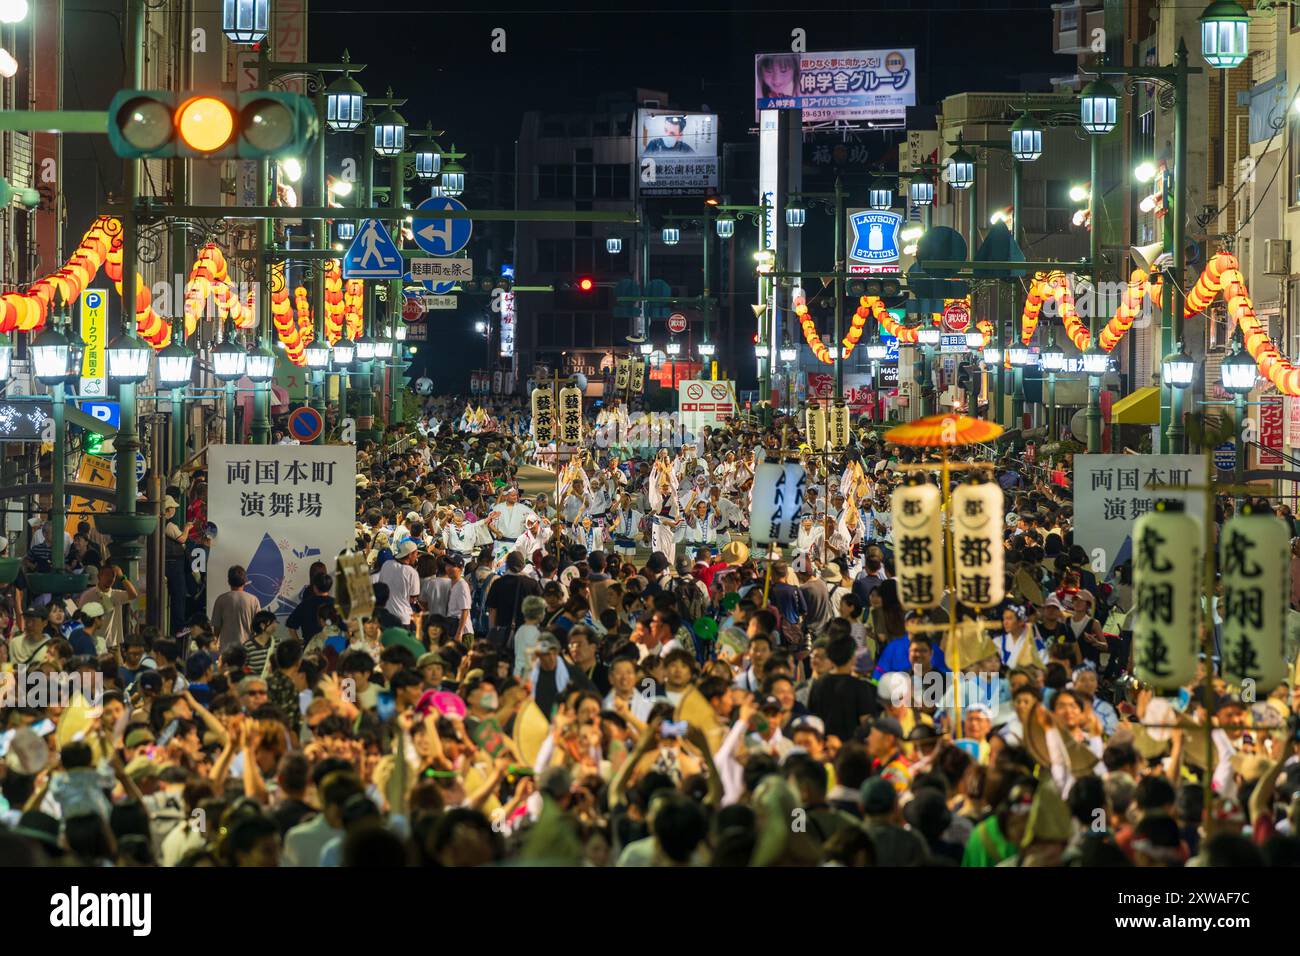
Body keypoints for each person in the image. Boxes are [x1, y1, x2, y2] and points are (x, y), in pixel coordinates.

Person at [77, 563, 139, 650]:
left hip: (112, 645)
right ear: (99, 576)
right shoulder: (88, 595)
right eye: (107, 575)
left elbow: (133, 595)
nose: (110, 578)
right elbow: (80, 619)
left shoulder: (116, 594)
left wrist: (122, 577)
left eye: (113, 576)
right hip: (94, 644)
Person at [210, 565, 262, 653]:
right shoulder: (253, 600)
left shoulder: (221, 599)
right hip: (248, 648)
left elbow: (217, 627)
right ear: (245, 581)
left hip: (226, 649)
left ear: (229, 581)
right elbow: (259, 626)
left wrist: (215, 643)